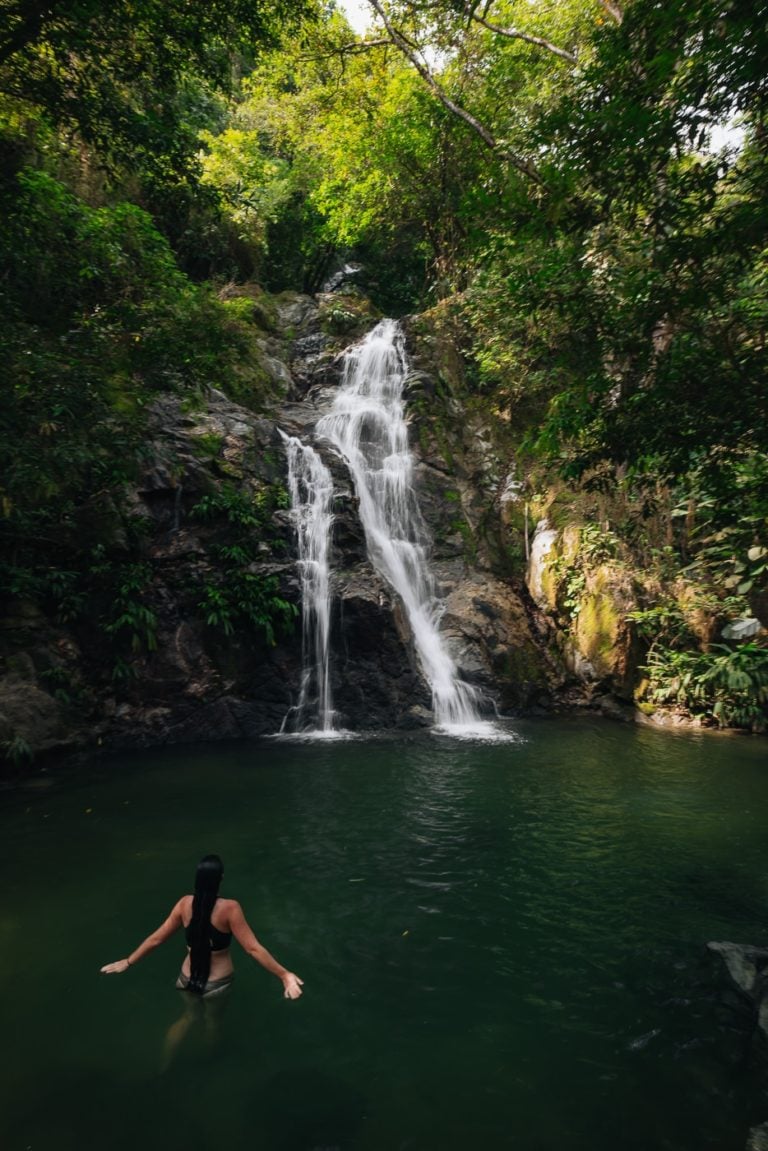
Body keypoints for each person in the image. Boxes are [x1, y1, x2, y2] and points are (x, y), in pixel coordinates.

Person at [100, 853, 304, 1000]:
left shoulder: (184, 904)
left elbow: (156, 939)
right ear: (221, 879)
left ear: (197, 879)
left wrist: (129, 961)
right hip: (217, 984)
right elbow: (252, 949)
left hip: (186, 979)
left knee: (188, 1019)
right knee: (212, 1025)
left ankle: (171, 1049)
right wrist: (284, 975)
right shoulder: (230, 908)